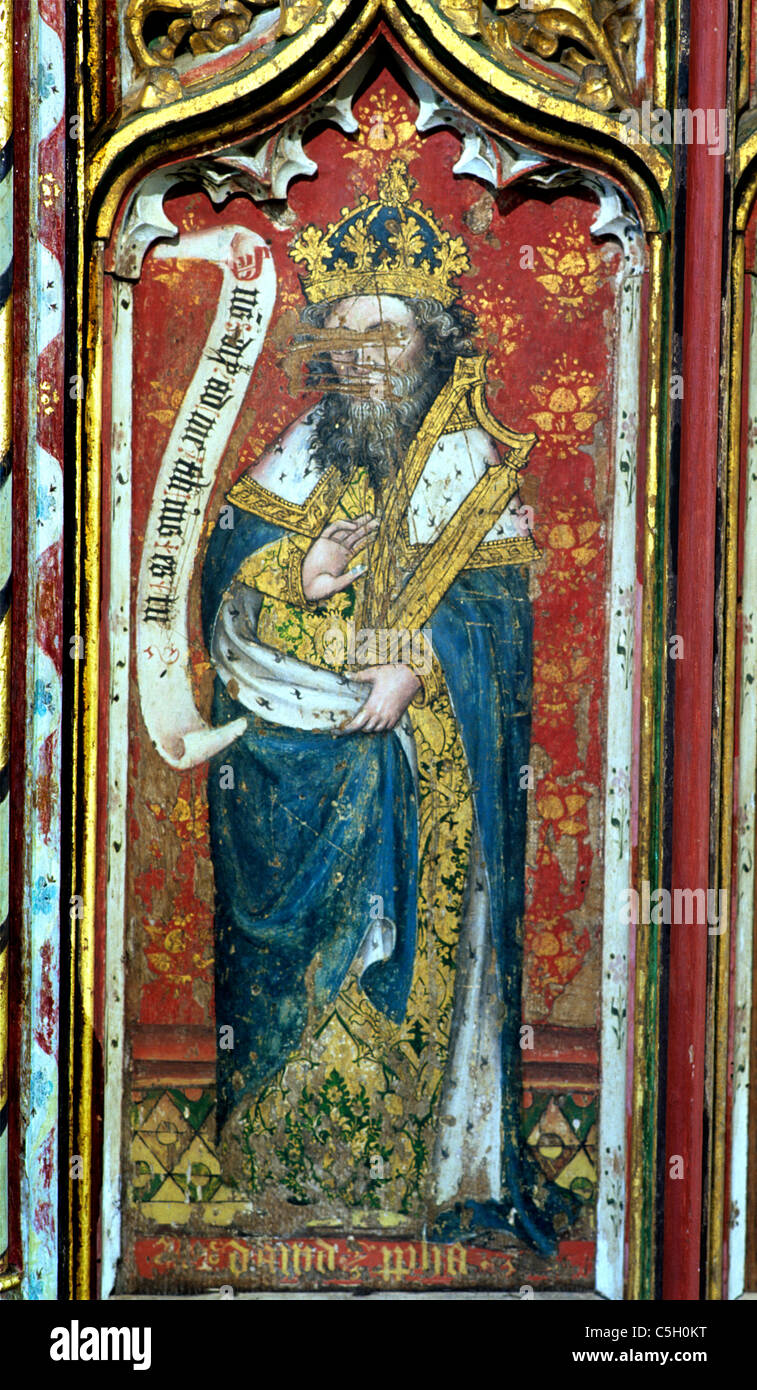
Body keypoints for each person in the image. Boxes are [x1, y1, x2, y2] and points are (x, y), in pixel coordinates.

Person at [200, 160, 573, 1252]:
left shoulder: (471, 462)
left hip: (425, 776)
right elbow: (230, 591)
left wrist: (419, 667)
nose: (367, 359)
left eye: (391, 334)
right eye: (348, 336)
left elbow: (499, 626)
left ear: (433, 341)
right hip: (296, 768)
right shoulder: (298, 451)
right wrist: (290, 578)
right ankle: (283, 1178)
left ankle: (436, 1167)